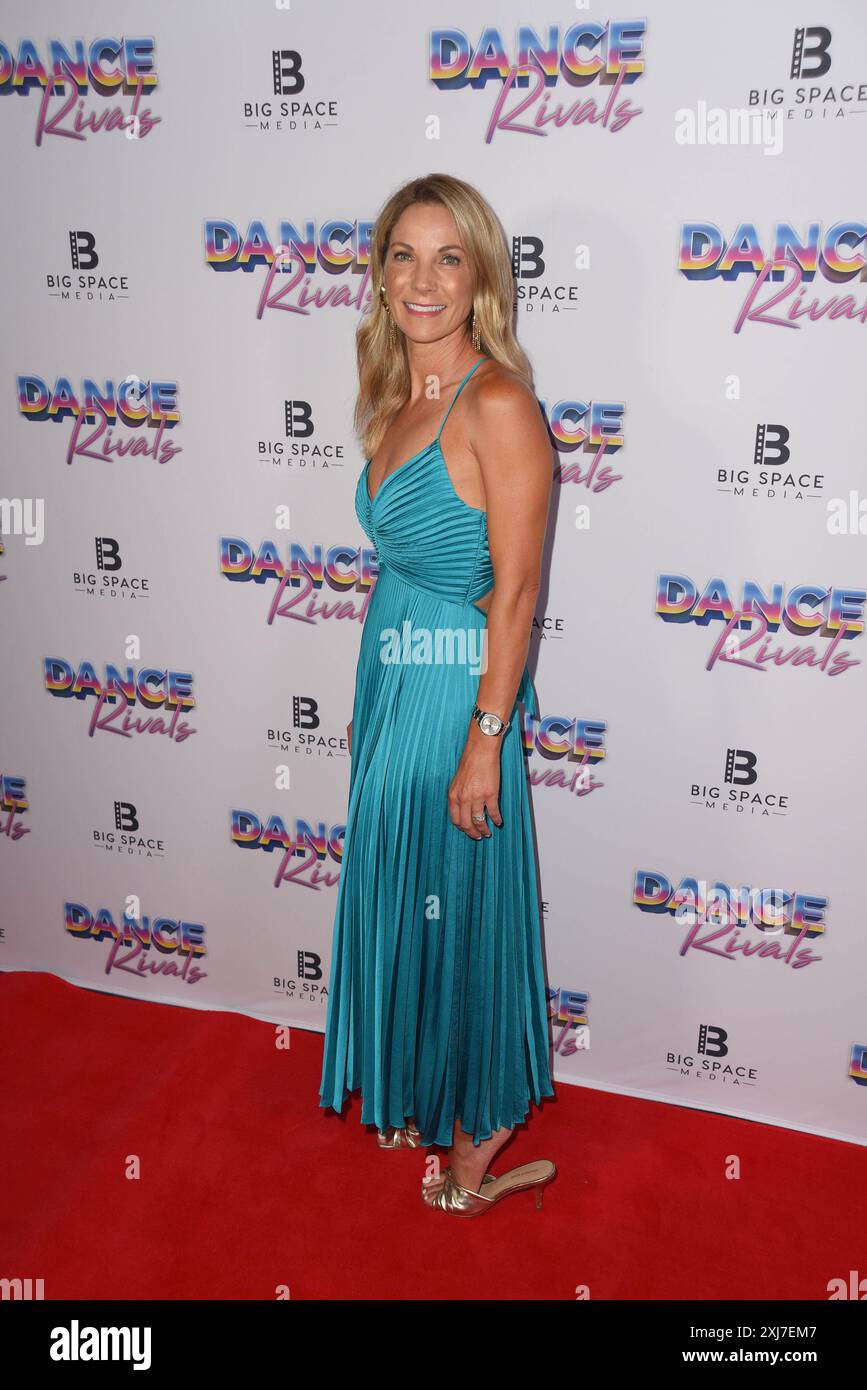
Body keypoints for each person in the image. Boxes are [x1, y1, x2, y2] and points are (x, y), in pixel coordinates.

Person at [319, 172, 556, 1217]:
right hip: (394, 677)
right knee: (408, 878)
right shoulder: (396, 393)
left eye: (448, 256)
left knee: (459, 899)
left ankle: (484, 1128)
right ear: (378, 275)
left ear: (480, 277)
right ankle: (427, 1086)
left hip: (459, 691)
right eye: (404, 255)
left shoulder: (496, 401)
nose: (424, 279)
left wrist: (484, 740)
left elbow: (518, 592)